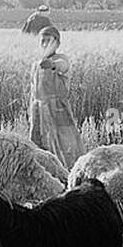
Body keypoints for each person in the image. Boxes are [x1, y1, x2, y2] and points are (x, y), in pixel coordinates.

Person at [28, 25, 84, 168]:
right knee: (40, 144)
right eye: (43, 40)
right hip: (39, 110)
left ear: (57, 42)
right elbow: (34, 89)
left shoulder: (60, 59)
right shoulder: (36, 63)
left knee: (64, 144)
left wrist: (52, 64)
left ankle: (66, 171)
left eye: (49, 40)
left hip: (57, 110)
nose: (45, 43)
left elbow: (62, 66)